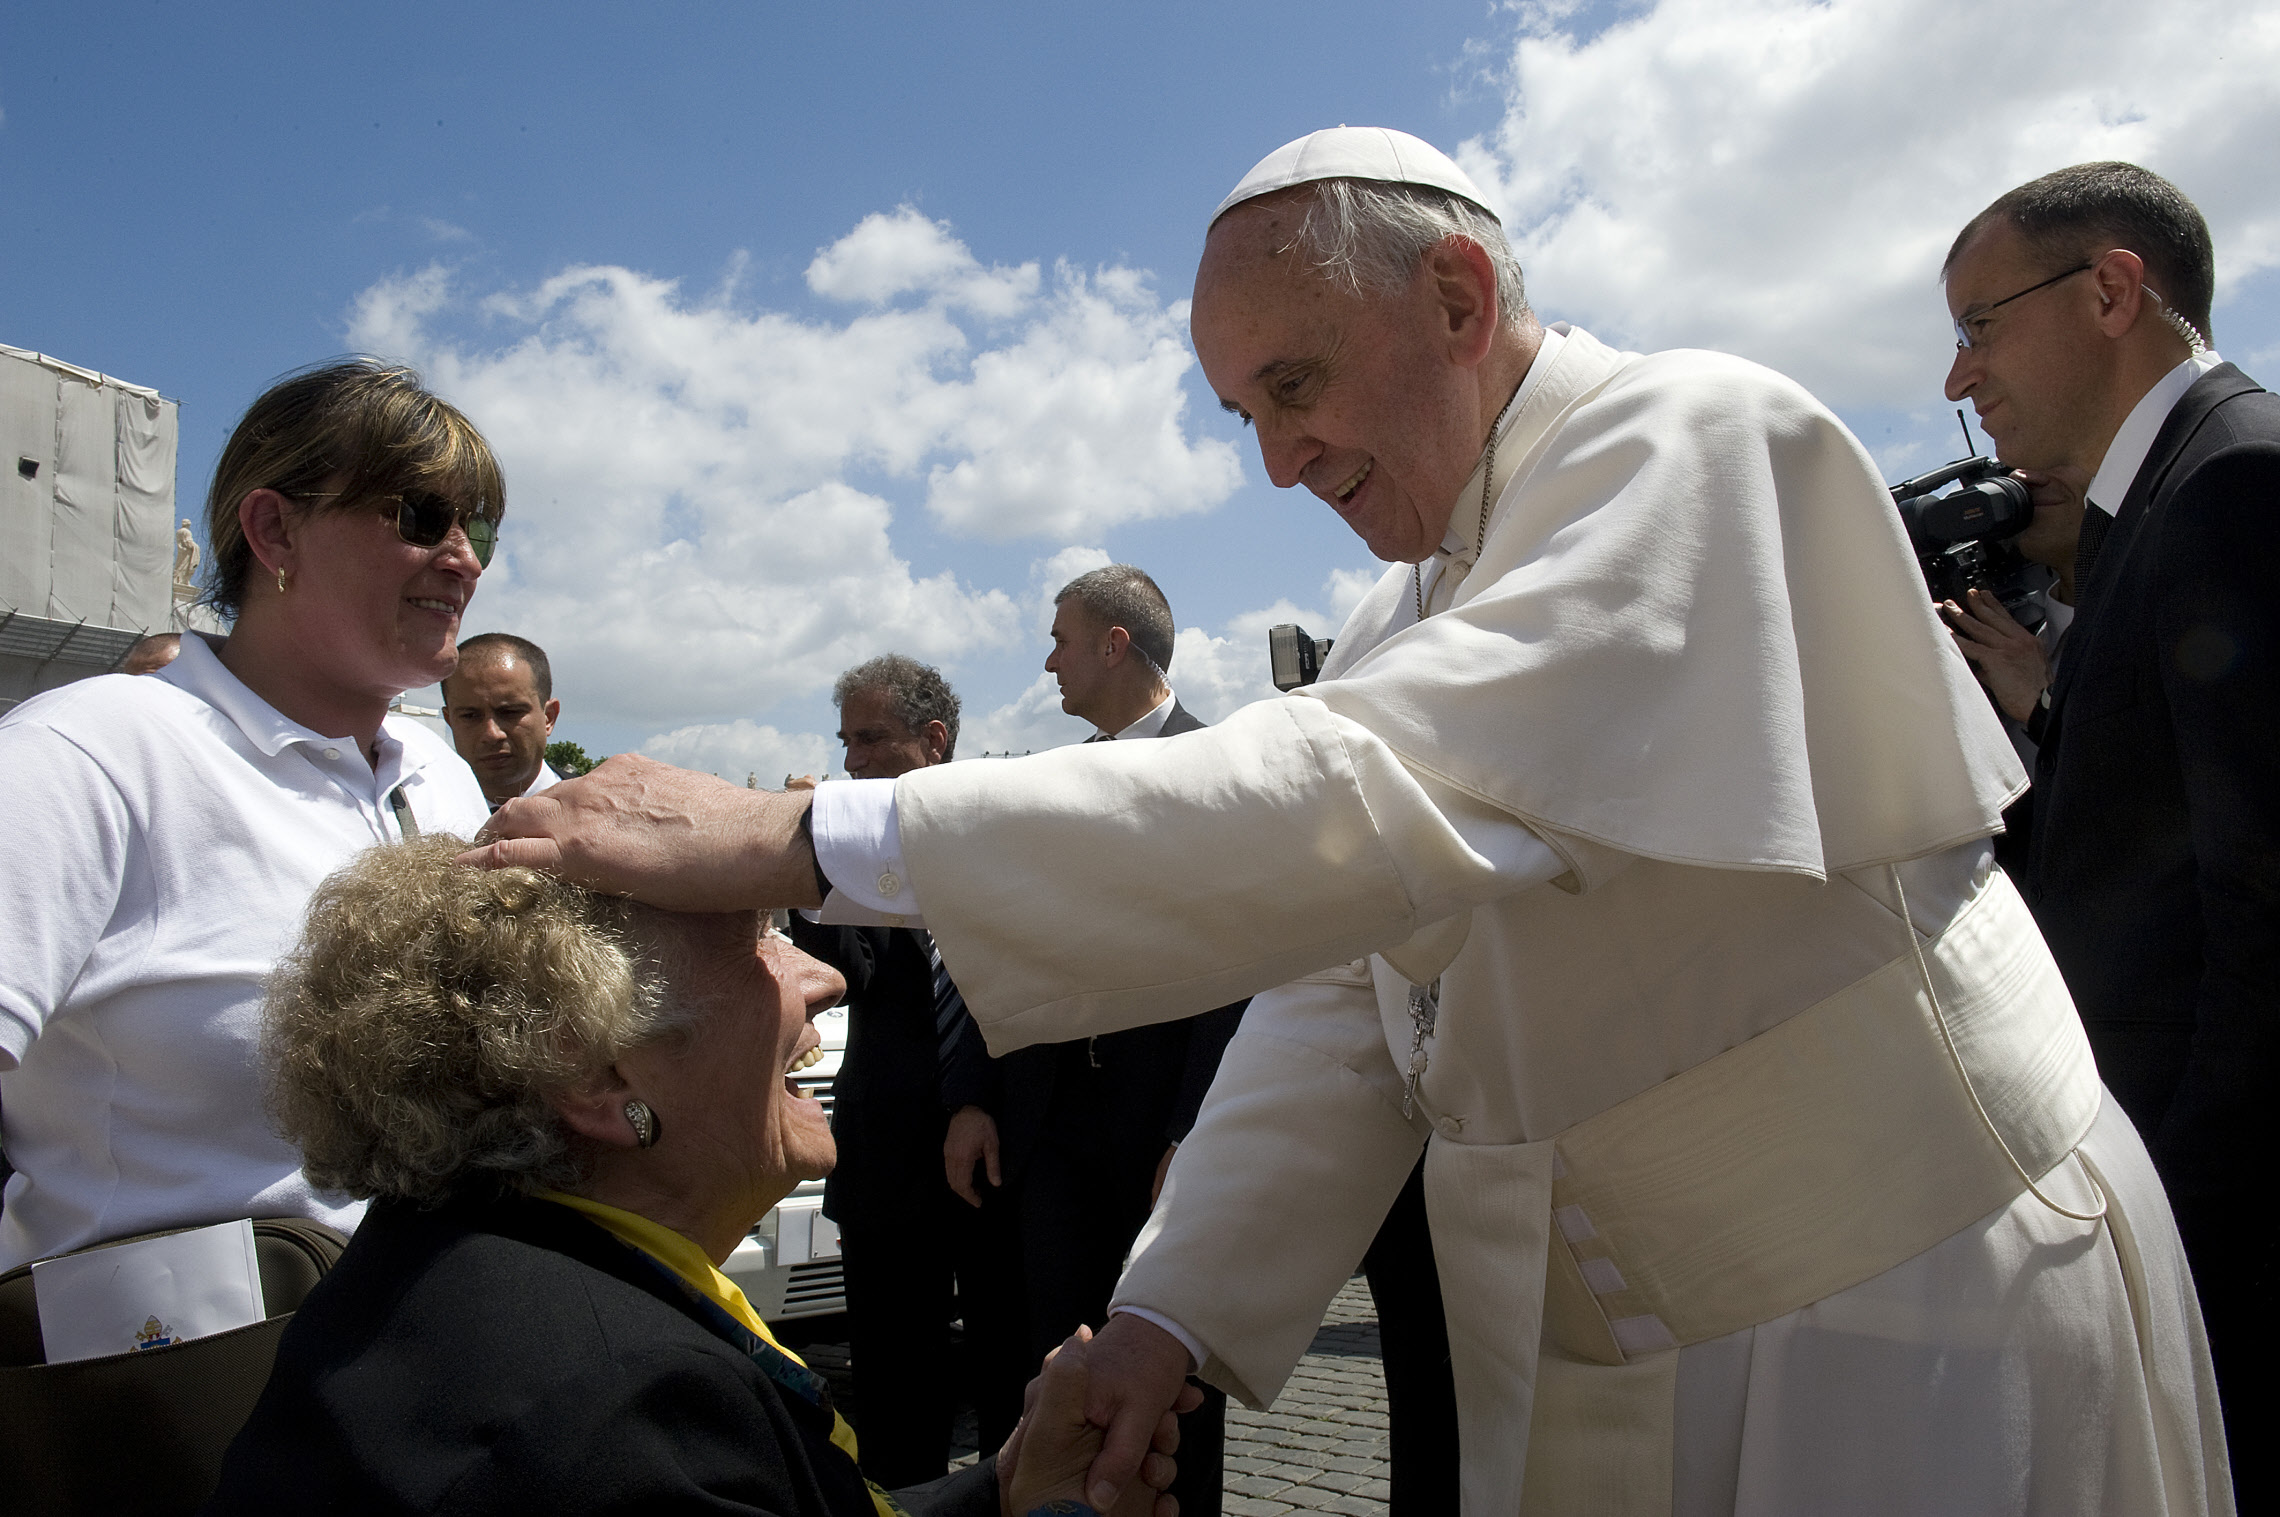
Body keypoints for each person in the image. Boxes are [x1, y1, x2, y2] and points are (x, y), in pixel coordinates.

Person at [476, 129, 2229, 1514]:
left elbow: (1366, 793)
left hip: (1897, 1299)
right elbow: (1343, 999)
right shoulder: (1410, 613)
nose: (1276, 466)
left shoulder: (1695, 438)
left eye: (1296, 388)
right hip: (1640, 1337)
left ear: (1459, 295)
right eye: (1244, 414)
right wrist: (1171, 1320)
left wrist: (799, 839)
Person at [203, 836, 1190, 1517]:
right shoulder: (622, 1411)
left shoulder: (448, 1266)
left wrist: (1006, 1485)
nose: (821, 974)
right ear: (597, 1069)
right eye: (753, 939)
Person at [0, 359, 498, 1271]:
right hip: (182, 1386)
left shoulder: (439, 775)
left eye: (481, 529)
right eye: (421, 517)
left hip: (431, 1357)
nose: (463, 558)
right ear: (274, 530)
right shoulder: (86, 756)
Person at [1939, 162, 2273, 1502]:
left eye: (1977, 325)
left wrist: (2177, 1228)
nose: (1959, 382)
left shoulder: (2235, 488)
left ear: (2112, 291)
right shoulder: (2180, 501)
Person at [945, 565, 1241, 1516]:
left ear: (1116, 644)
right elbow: (1011, 950)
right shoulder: (1050, 782)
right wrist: (976, 1096)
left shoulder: (1223, 770)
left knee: (1175, 1386)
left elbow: (1244, 970)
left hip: (1165, 1137)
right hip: (1052, 1133)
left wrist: (1198, 1133)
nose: (1047, 659)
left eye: (1061, 638)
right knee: (1057, 1372)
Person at [787, 655, 1025, 1487]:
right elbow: (845, 971)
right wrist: (806, 866)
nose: (850, 758)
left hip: (1000, 1158)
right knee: (894, 1395)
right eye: (845, 738)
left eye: (870, 737)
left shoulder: (1005, 832)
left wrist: (979, 1099)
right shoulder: (850, 848)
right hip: (886, 1164)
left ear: (933, 740)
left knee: (1011, 1381)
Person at [443, 630, 564, 808]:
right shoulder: (415, 818)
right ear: (450, 721)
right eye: (470, 716)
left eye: (510, 712)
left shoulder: (606, 812)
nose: (492, 734)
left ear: (548, 717)